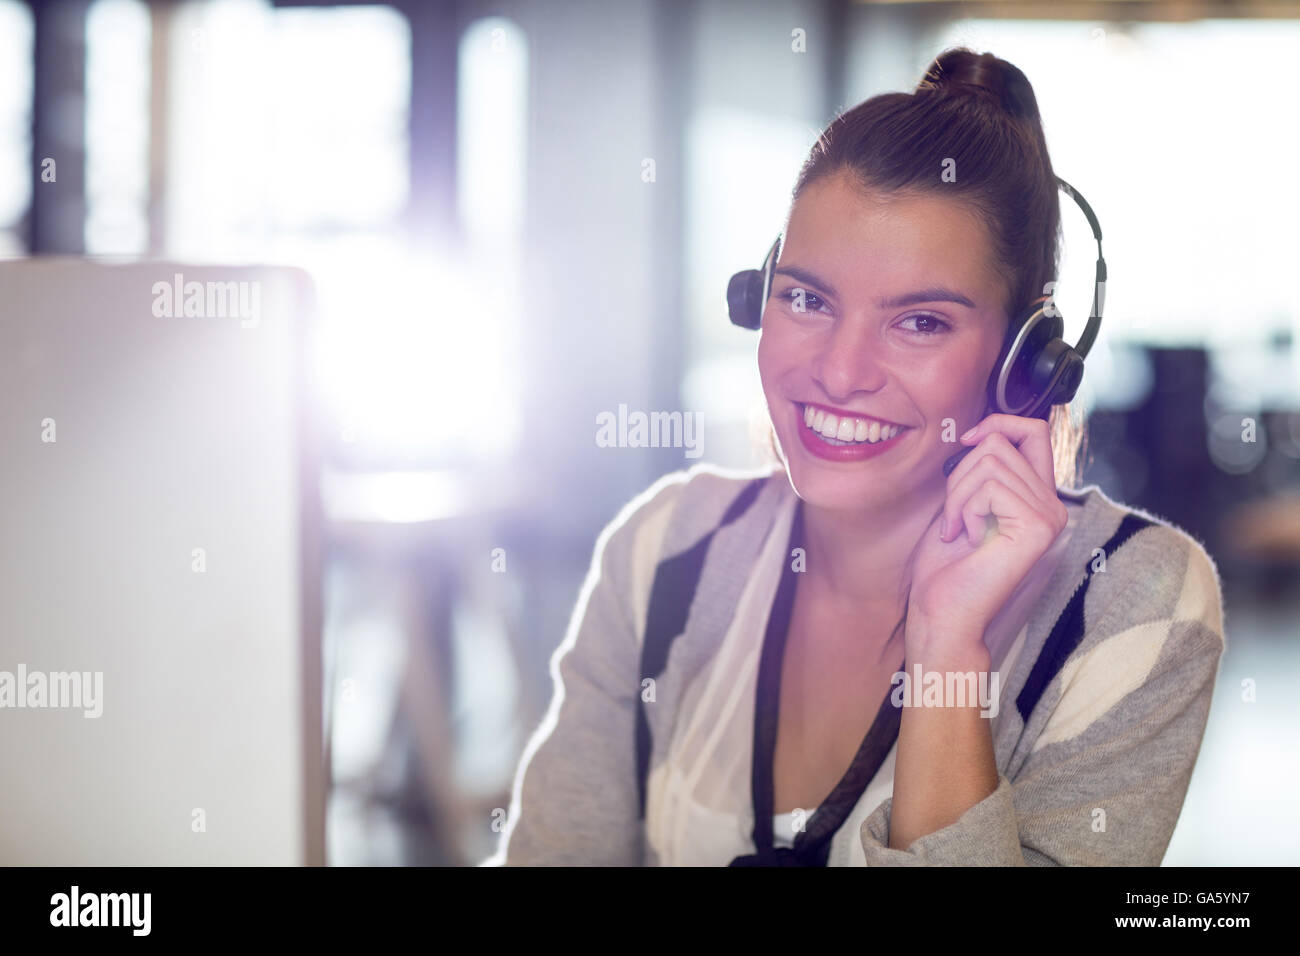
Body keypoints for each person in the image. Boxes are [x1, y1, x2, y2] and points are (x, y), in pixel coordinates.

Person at [485, 47, 1225, 866]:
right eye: (806, 299)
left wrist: (946, 648)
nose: (839, 374)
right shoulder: (665, 550)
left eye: (920, 322)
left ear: (1027, 357)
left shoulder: (1134, 601)